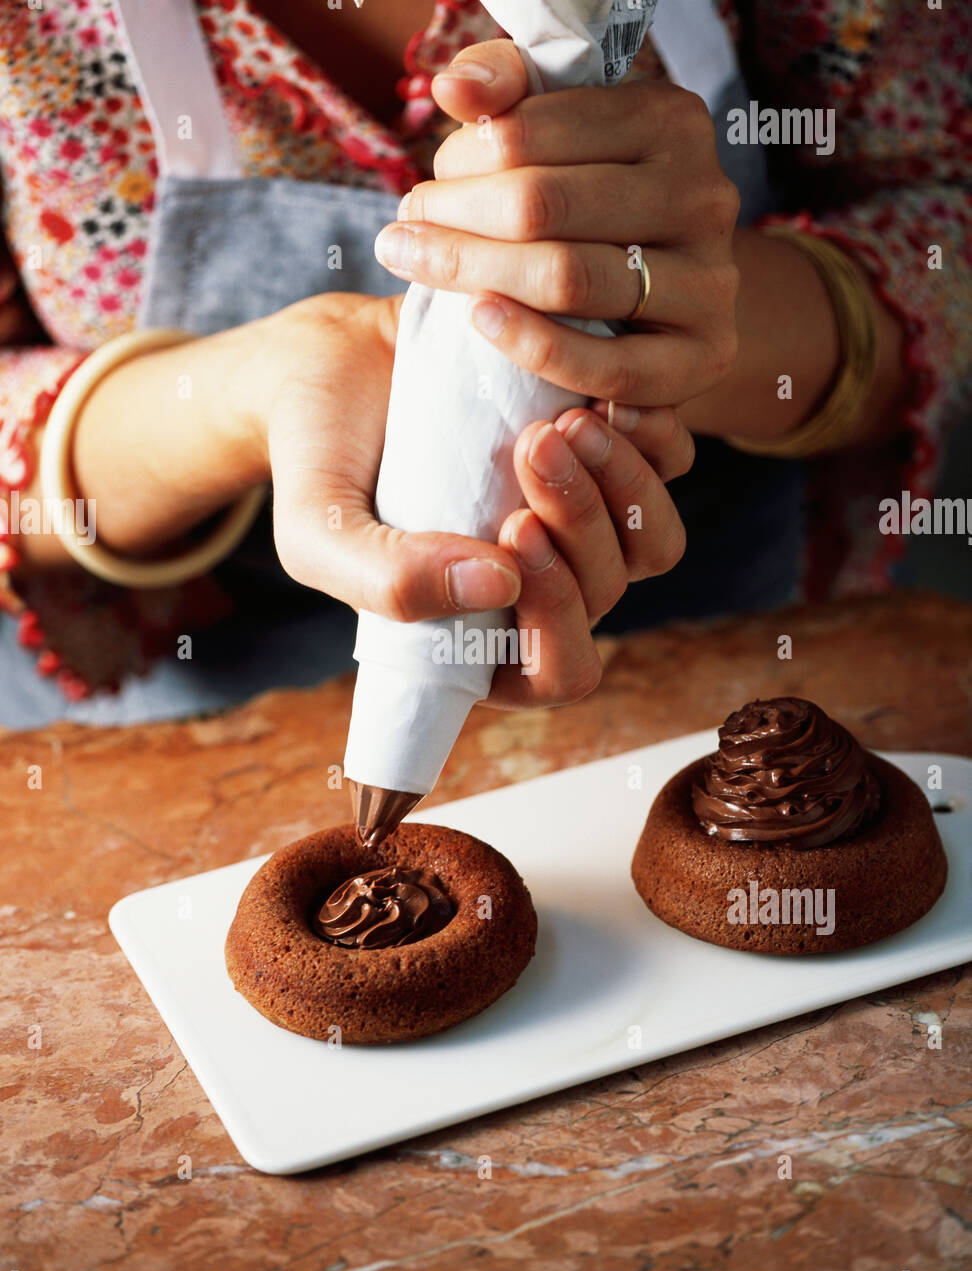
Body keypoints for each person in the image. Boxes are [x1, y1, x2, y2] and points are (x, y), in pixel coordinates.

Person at [0, 0, 968, 728]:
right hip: (195, 749)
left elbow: (942, 228)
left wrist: (692, 326)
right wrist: (244, 399)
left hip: (730, 694)